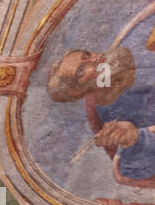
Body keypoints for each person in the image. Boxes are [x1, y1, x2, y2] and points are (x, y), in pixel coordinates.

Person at [47, 42, 155, 183]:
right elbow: (138, 168)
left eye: (87, 55)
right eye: (82, 71)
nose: (95, 59)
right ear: (76, 91)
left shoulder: (130, 48)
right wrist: (134, 139)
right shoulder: (110, 116)